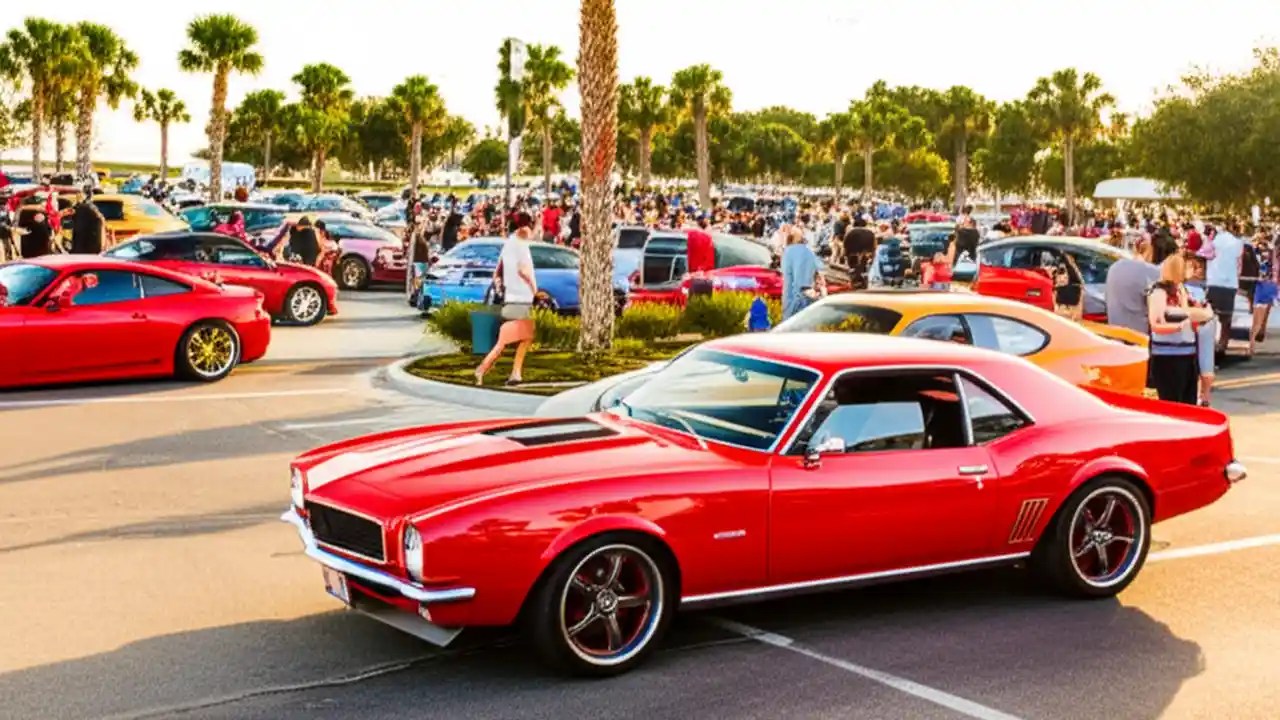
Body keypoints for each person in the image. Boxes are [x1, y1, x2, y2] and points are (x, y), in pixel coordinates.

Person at [475, 212, 537, 387]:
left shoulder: (508, 245)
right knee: (505, 341)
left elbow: (497, 273)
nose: (533, 231)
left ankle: (516, 374)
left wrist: (502, 285)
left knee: (526, 336)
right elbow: (523, 271)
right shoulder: (521, 246)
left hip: (512, 297)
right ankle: (482, 369)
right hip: (522, 297)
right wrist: (534, 288)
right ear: (523, 228)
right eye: (531, 226)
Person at [1204, 219, 1245, 354]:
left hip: (1214, 280)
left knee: (1209, 314)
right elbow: (1240, 264)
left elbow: (1206, 254)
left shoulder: (1215, 240)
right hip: (1229, 282)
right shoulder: (1238, 243)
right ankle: (1223, 343)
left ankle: (1208, 342)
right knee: (1226, 317)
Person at [781, 227, 822, 320]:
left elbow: (789, 280)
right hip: (805, 301)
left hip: (792, 302)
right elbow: (820, 268)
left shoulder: (788, 252)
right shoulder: (808, 252)